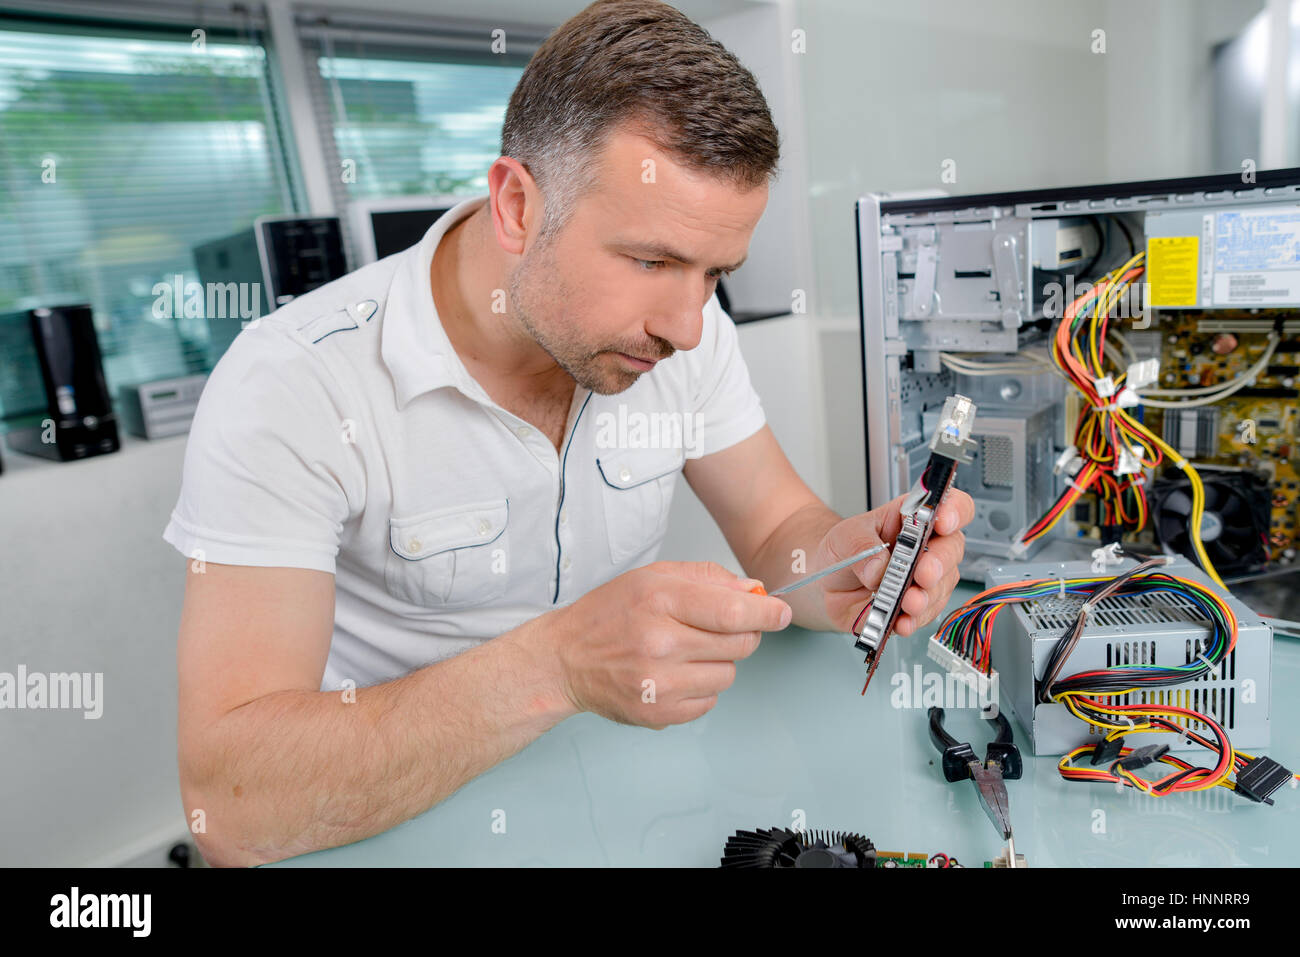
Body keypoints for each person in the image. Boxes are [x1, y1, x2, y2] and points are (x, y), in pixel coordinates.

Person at [165, 0, 974, 866]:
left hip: (616, 807)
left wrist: (848, 563)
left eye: (715, 273)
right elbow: (233, 802)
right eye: (652, 260)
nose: (690, 325)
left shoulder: (682, 335)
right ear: (516, 204)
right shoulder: (292, 382)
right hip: (384, 823)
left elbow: (781, 534)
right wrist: (558, 667)